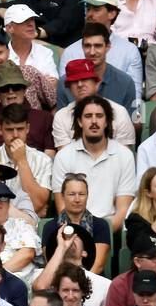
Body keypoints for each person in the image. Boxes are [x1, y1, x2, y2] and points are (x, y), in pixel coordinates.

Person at [50, 96, 136, 230]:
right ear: (79, 121)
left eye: (99, 116)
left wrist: (100, 234)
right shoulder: (63, 156)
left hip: (111, 231)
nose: (94, 121)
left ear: (107, 121)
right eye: (88, 116)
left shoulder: (125, 156)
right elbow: (63, 208)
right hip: (74, 232)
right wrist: (83, 235)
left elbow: (122, 212)